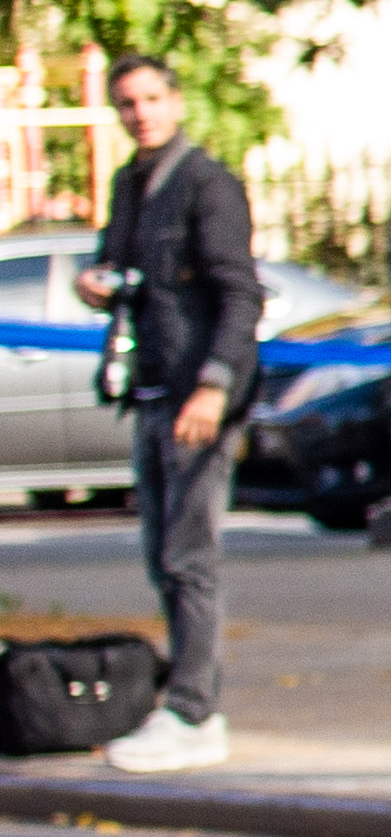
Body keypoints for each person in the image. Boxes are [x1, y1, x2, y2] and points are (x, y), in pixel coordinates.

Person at [77, 52, 263, 775]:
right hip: (151, 390)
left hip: (196, 398)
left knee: (190, 558)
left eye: (152, 99)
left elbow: (240, 295)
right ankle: (185, 701)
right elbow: (117, 266)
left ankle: (194, 710)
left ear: (176, 101)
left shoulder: (206, 184)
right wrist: (99, 284)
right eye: (127, 103)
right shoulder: (131, 183)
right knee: (163, 555)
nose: (141, 114)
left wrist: (214, 387)